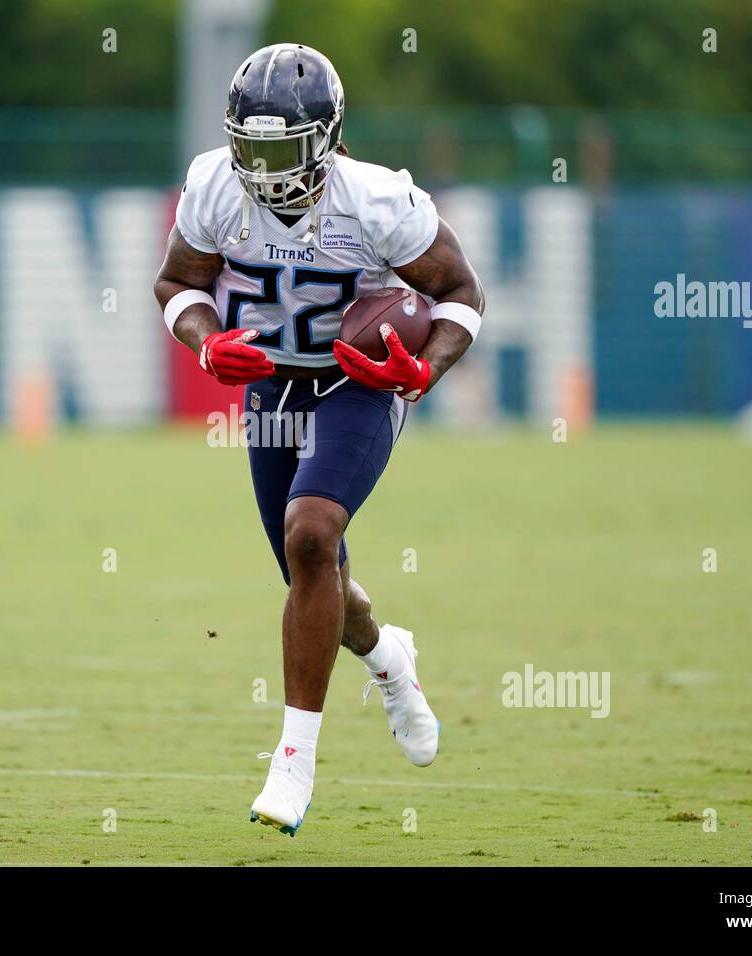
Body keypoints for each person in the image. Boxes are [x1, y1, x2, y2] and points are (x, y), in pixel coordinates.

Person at [153, 43, 485, 835]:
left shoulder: (378, 202)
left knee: (311, 535)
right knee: (316, 573)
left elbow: (462, 295)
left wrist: (422, 370)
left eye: (283, 150)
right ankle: (386, 657)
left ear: (330, 139)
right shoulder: (210, 186)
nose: (264, 169)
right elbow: (177, 284)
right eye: (253, 148)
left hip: (354, 382)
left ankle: (292, 765)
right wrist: (206, 343)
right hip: (271, 382)